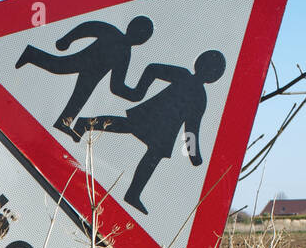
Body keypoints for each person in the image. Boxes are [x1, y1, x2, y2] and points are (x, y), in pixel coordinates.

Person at [74, 49, 226, 215]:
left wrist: (194, 155)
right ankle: (84, 123)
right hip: (154, 114)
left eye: (214, 72)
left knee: (151, 150)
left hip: (166, 128)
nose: (210, 73)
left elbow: (191, 128)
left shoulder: (200, 98)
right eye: (210, 69)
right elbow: (153, 69)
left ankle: (133, 193)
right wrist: (140, 91)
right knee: (125, 126)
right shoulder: (184, 77)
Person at [15, 16, 154, 140]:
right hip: (84, 61)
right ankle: (31, 54)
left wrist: (137, 94)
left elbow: (116, 86)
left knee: (79, 97)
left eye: (143, 37)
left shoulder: (125, 53)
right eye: (141, 35)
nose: (140, 39)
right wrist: (66, 39)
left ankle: (64, 122)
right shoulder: (113, 34)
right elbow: (88, 27)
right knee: (58, 66)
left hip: (93, 75)